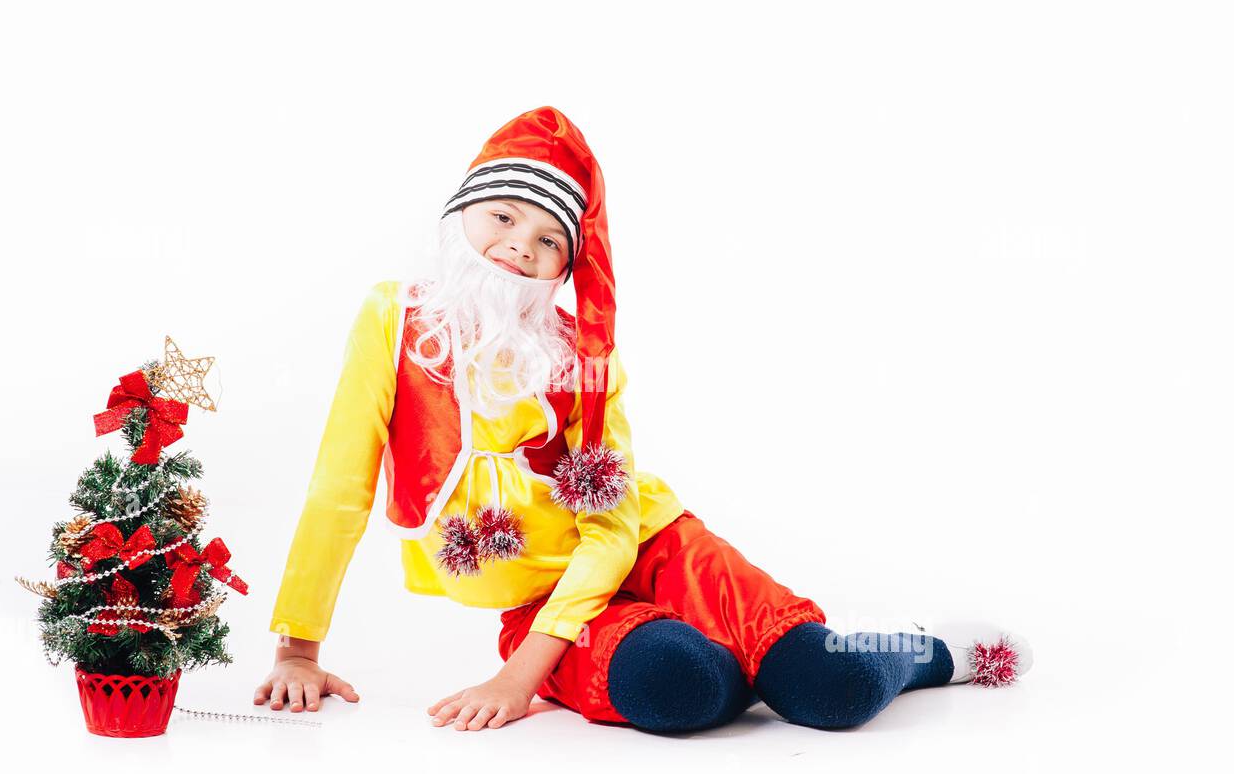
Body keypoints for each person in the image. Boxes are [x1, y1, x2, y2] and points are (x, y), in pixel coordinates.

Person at [253, 106, 1033, 733]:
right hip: (542, 604)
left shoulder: (582, 357)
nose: (518, 247)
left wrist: (518, 678)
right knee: (678, 686)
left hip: (654, 546)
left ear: (568, 265)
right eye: (502, 218)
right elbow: (339, 486)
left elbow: (613, 525)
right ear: (461, 213)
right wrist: (298, 648)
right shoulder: (395, 319)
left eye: (548, 239)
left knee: (830, 686)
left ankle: (935, 652)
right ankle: (731, 661)